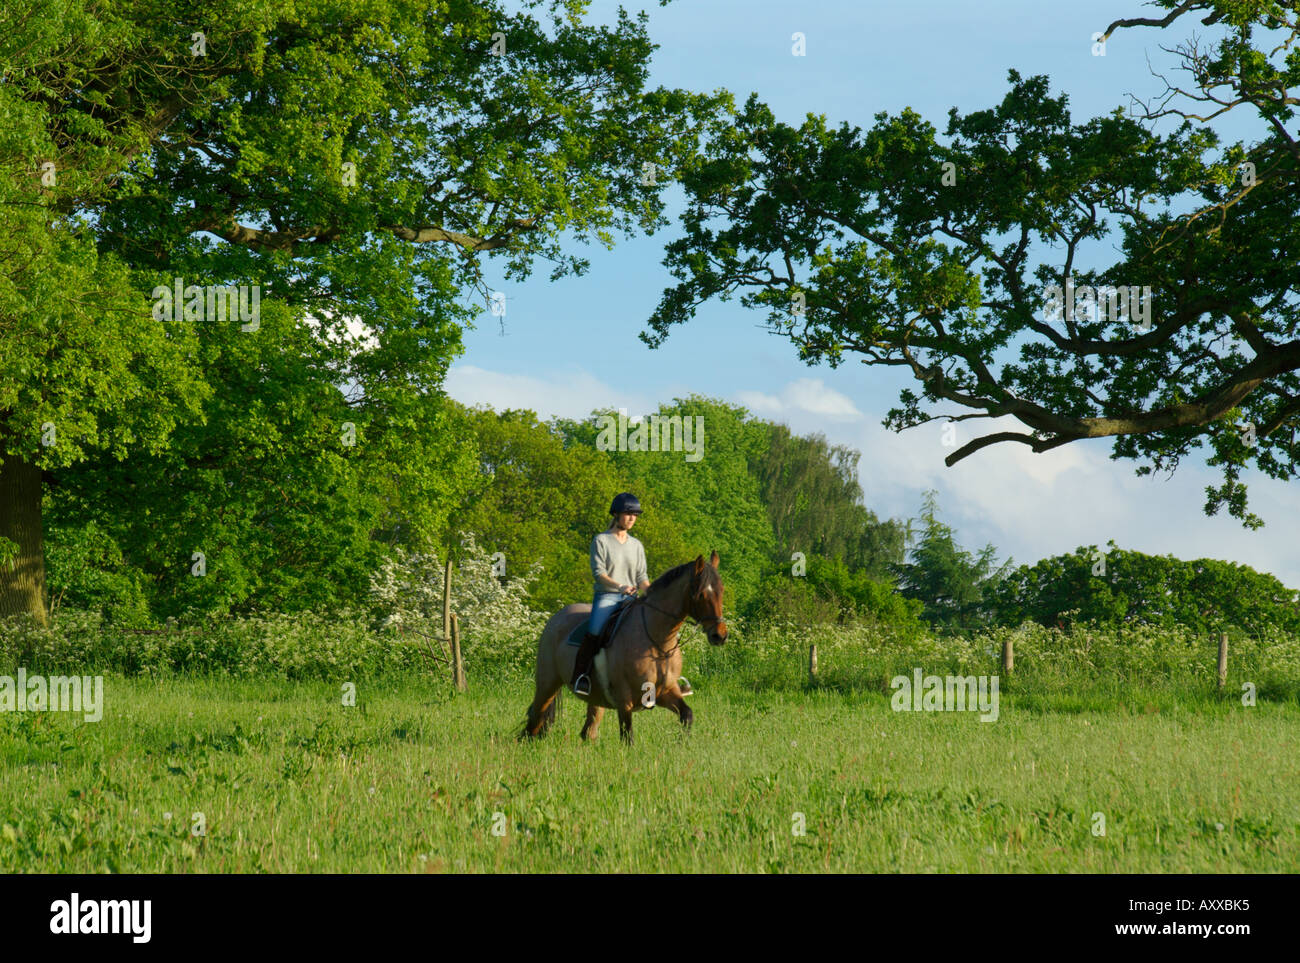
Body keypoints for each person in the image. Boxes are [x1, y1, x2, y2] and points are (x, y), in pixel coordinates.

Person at [571, 492, 651, 696]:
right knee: (596, 631)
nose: (632, 518)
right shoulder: (601, 541)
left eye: (635, 515)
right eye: (628, 513)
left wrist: (652, 593)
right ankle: (582, 677)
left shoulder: (636, 545)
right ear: (616, 514)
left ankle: (665, 678)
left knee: (656, 628)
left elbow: (641, 577)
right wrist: (621, 586)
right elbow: (599, 575)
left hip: (632, 599)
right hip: (608, 597)